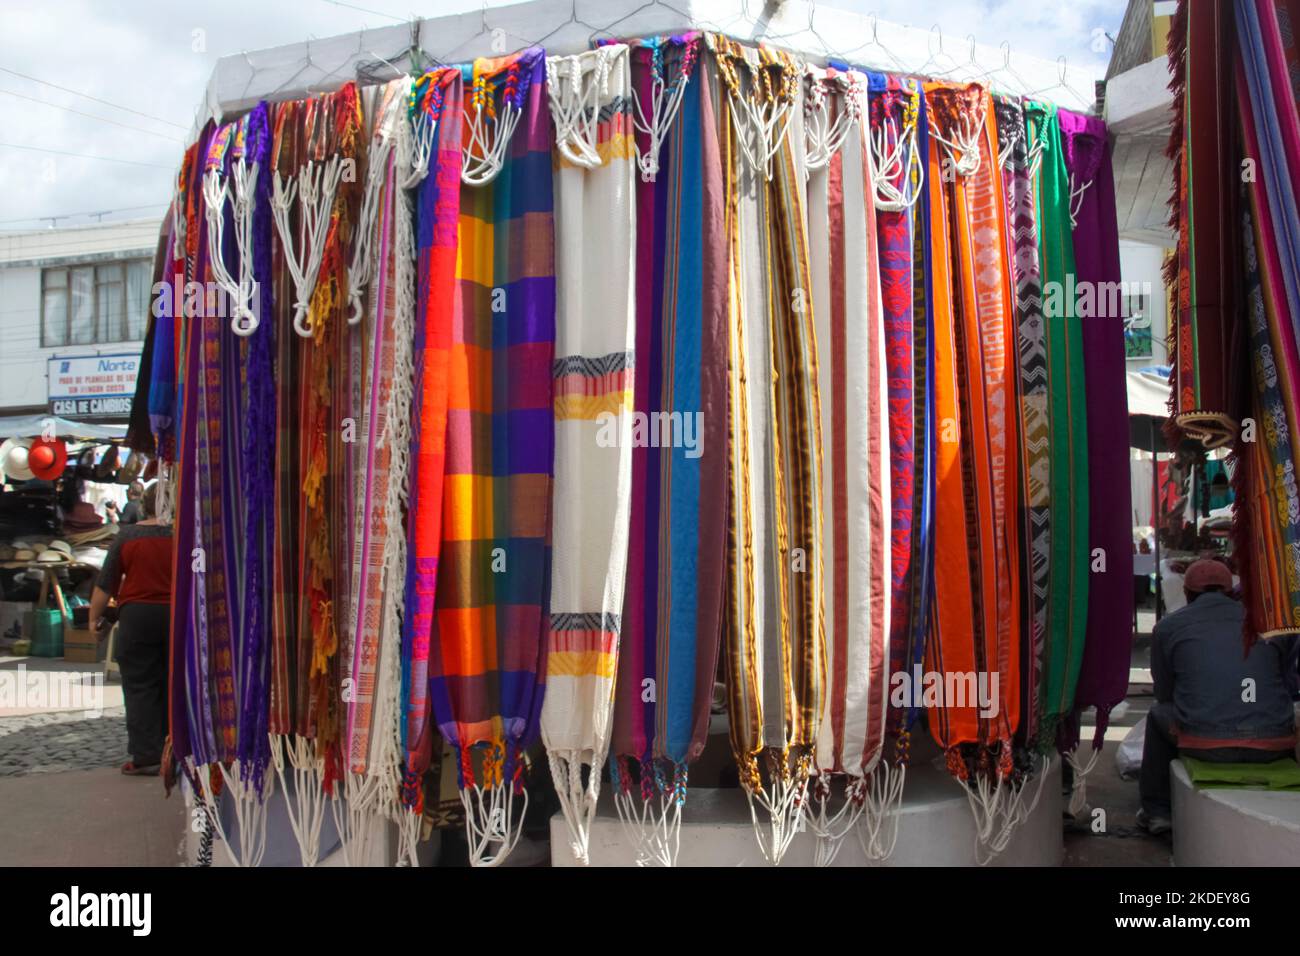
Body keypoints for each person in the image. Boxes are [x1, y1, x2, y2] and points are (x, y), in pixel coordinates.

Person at [1138, 558, 1299, 835]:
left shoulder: (1168, 627)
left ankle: (1159, 811)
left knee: (1157, 715)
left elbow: (1164, 693)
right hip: (1274, 742)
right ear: (1229, 591)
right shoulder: (1270, 624)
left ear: (1187, 594)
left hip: (1205, 742)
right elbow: (1285, 684)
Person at [89, 484, 173, 776]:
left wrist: (93, 617)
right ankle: (173, 749)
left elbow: (106, 582)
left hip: (137, 616)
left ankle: (146, 755)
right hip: (176, 615)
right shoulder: (184, 535)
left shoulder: (128, 536)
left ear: (144, 505)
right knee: (171, 684)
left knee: (139, 685)